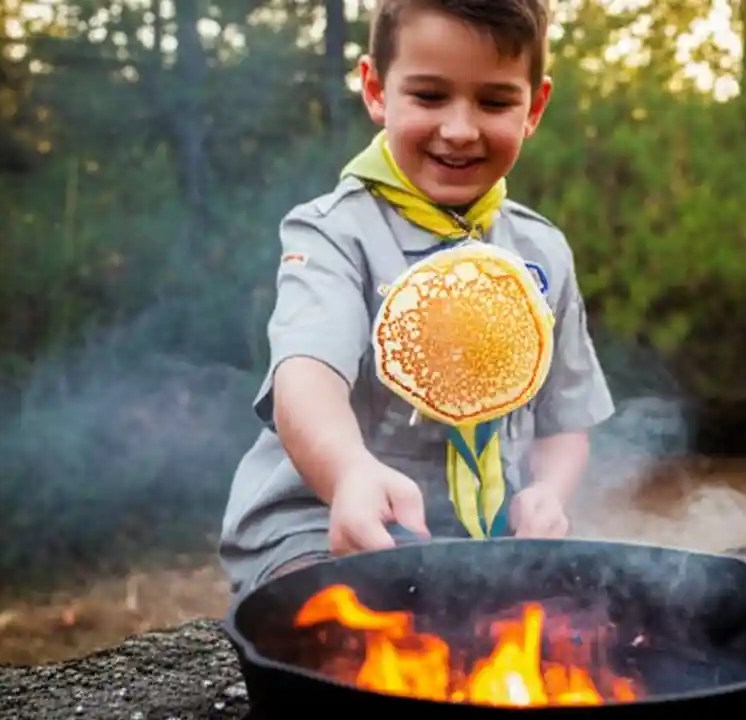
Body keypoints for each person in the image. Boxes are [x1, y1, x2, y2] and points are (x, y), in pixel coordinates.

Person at [217, 0, 615, 597]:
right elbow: (306, 378)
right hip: (321, 531)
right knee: (344, 635)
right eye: (429, 97)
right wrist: (348, 473)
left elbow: (565, 419)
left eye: (495, 101)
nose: (459, 129)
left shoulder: (544, 250)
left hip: (479, 545)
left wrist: (548, 496)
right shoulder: (331, 234)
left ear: (534, 107)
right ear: (376, 90)